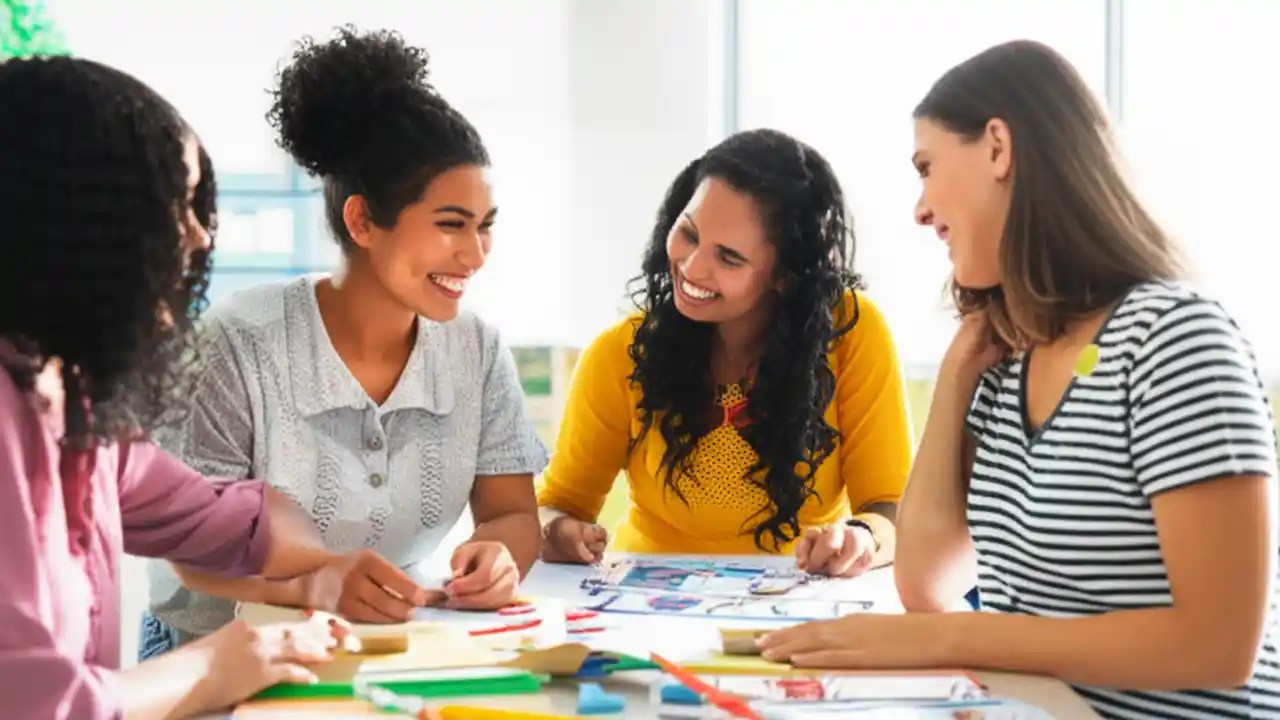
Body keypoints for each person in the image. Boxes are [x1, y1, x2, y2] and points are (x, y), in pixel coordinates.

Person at [757, 40, 1280, 720]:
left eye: (927, 168)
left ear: (998, 147)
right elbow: (929, 583)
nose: (919, 210)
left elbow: (1216, 645)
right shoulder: (1010, 359)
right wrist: (958, 369)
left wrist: (944, 639)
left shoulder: (1173, 336)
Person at [144, 27, 548, 654]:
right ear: (362, 220)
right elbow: (190, 552)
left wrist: (499, 556)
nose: (474, 254)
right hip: (214, 653)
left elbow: (512, 514)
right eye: (450, 226)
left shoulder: (477, 350)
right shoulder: (237, 342)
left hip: (383, 651)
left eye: (485, 227)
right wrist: (313, 585)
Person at [0, 55, 366, 719]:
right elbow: (35, 703)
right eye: (174, 204)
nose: (199, 237)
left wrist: (331, 569)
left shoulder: (71, 396)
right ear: (71, 214)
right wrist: (228, 660)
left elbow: (217, 517)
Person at [537, 128, 912, 575]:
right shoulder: (620, 351)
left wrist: (861, 538)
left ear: (786, 276)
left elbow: (890, 508)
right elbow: (557, 505)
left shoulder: (851, 332)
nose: (692, 268)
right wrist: (559, 531)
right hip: (646, 604)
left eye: (729, 258)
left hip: (797, 598)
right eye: (689, 235)